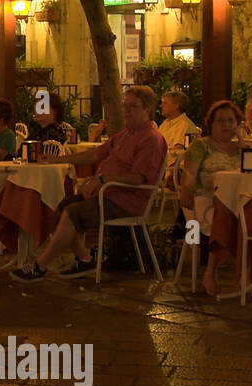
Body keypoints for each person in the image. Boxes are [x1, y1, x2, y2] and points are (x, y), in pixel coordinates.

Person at [11, 86, 168, 282]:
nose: (126, 111)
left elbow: (138, 178)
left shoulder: (151, 139)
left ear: (148, 109)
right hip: (107, 194)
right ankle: (84, 259)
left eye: (133, 107)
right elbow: (95, 154)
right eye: (125, 106)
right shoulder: (125, 134)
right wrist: (56, 160)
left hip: (126, 201)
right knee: (63, 206)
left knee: (73, 213)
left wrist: (102, 180)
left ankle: (39, 266)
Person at [178, 100, 244, 296]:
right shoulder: (201, 146)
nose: (227, 125)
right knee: (224, 215)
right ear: (211, 124)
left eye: (231, 121)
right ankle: (210, 273)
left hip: (238, 202)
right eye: (221, 121)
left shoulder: (244, 149)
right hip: (203, 201)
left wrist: (243, 144)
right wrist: (186, 191)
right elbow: (189, 175)